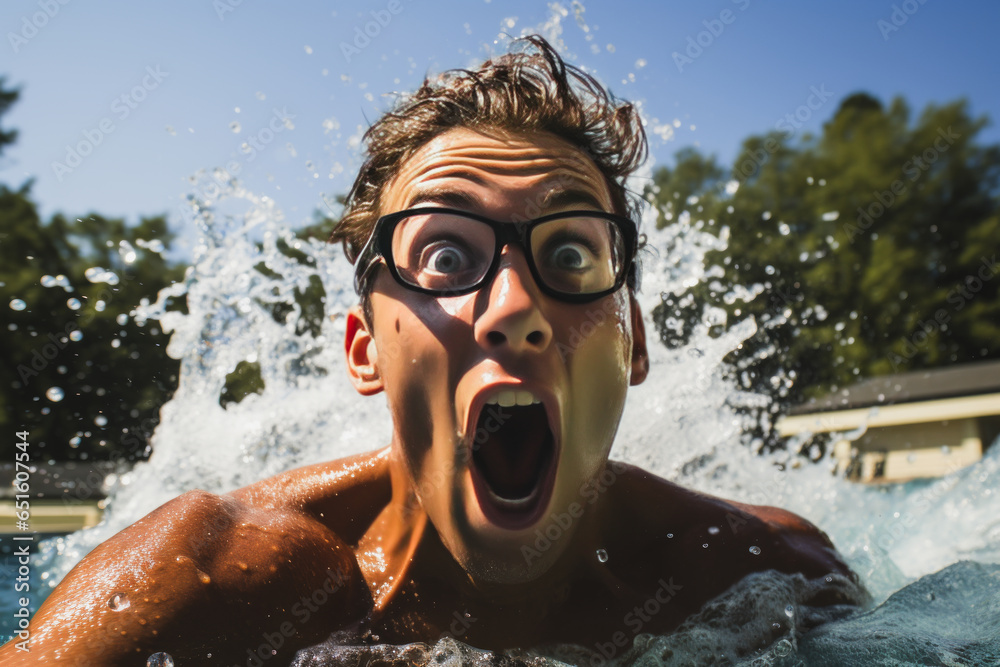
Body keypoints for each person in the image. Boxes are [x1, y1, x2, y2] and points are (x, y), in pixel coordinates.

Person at [0, 35, 862, 666]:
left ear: (633, 342)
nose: (514, 307)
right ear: (365, 349)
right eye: (446, 255)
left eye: (570, 256)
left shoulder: (761, 581)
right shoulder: (208, 582)